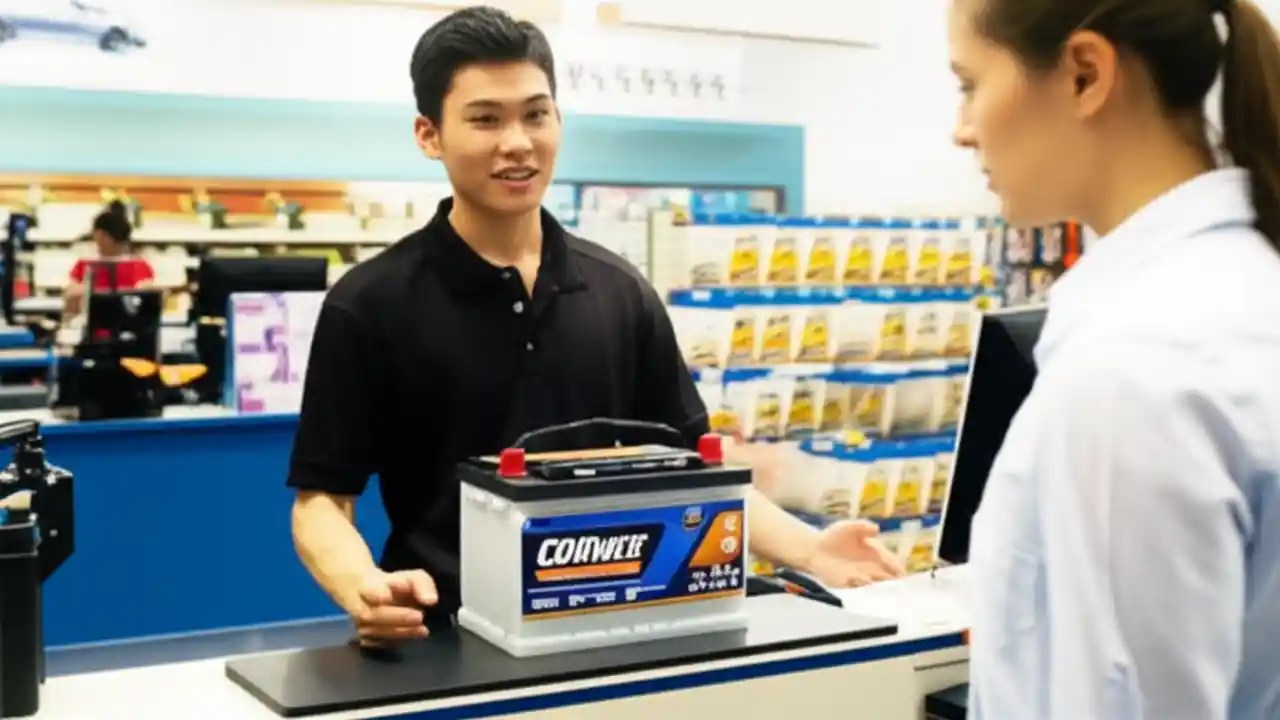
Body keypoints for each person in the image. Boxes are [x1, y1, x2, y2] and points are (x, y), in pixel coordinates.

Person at [288, 6, 905, 647]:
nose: (517, 142)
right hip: (446, 640)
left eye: (535, 114)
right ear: (429, 135)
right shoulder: (371, 303)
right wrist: (362, 586)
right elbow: (321, 502)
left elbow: (692, 471)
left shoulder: (620, 292)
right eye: (486, 119)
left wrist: (812, 549)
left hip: (615, 629)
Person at [948, 0, 1280, 717]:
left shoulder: (1133, 370)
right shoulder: (1244, 294)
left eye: (970, 84)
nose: (962, 129)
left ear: (1085, 75)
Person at [63, 202, 154, 317]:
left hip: (121, 320)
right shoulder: (85, 263)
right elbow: (71, 295)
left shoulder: (137, 265)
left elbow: (145, 294)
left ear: (100, 234)